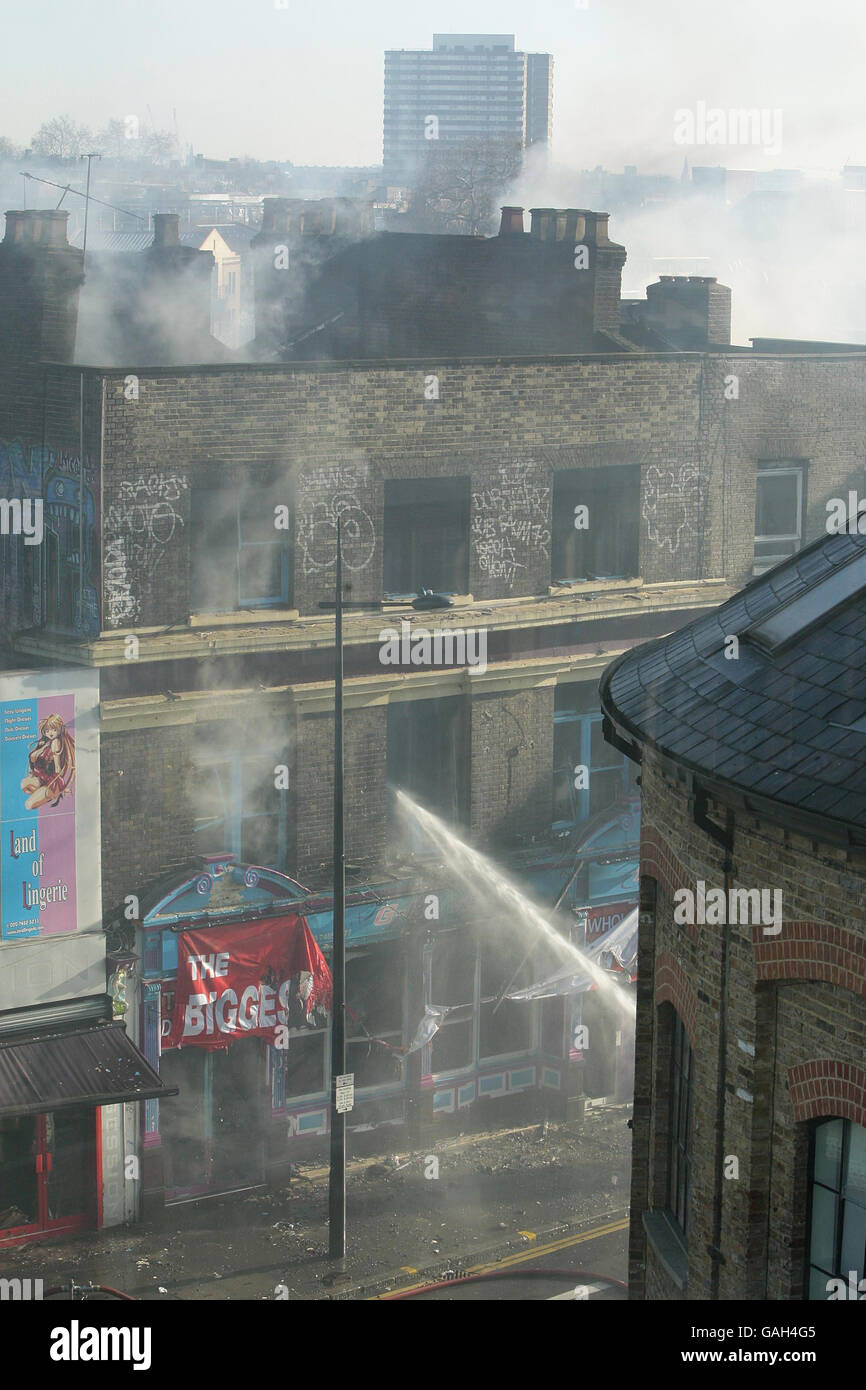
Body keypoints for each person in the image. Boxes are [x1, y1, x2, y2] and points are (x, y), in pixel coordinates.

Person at [20, 713, 75, 810]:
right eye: (47, 730)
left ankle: (51, 793)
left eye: (54, 730)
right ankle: (44, 793)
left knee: (28, 804)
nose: (51, 733)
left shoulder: (55, 743)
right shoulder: (47, 742)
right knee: (24, 784)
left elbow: (58, 768)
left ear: (59, 729)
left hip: (52, 782)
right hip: (43, 778)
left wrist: (61, 786)